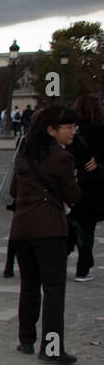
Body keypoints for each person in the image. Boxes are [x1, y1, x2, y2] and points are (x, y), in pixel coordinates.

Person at [8, 104, 81, 364]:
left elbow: (15, 191)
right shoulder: (62, 158)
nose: (73, 131)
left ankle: (26, 340)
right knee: (53, 288)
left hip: (22, 228)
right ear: (51, 130)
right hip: (49, 228)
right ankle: (51, 347)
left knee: (29, 285)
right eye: (68, 127)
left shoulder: (25, 155)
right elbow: (74, 195)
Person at [68, 94, 103, 282]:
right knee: (87, 229)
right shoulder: (101, 130)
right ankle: (82, 268)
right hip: (92, 184)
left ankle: (55, 263)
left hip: (72, 181)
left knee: (69, 224)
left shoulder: (72, 130)